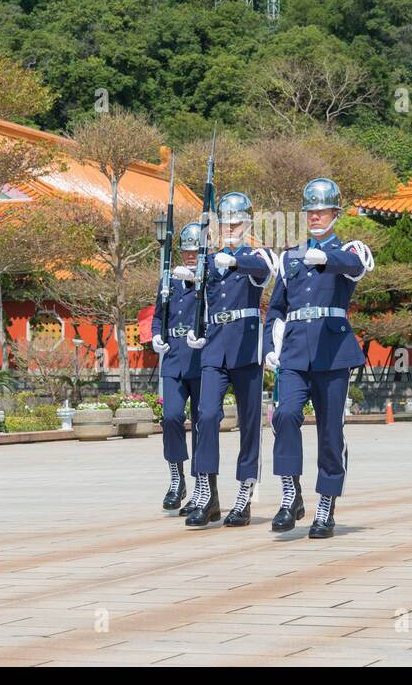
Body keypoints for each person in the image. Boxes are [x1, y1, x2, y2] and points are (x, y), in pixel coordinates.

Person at [264, 178, 373, 539]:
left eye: (322, 210)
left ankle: (326, 504)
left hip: (332, 352)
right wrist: (270, 344)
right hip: (295, 351)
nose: (315, 216)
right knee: (284, 414)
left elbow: (357, 266)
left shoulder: (347, 250)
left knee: (330, 431)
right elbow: (276, 308)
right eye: (310, 211)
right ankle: (289, 492)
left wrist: (327, 257)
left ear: (335, 214)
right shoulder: (290, 257)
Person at [184, 192, 276, 528]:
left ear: (248, 223)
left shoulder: (257, 255)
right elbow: (196, 300)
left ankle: (244, 495)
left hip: (245, 345)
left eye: (236, 222)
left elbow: (264, 271)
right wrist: (193, 331)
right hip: (214, 345)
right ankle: (206, 492)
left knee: (250, 423)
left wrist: (236, 261)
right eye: (225, 222)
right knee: (206, 415)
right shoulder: (207, 263)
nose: (230, 227)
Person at [150, 222, 204, 514]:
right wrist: (157, 334)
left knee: (200, 424)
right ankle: (176, 477)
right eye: (185, 251)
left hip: (199, 357)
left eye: (194, 251)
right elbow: (158, 316)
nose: (190, 256)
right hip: (173, 356)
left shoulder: (209, 280)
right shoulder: (168, 281)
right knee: (171, 417)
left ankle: (200, 487)